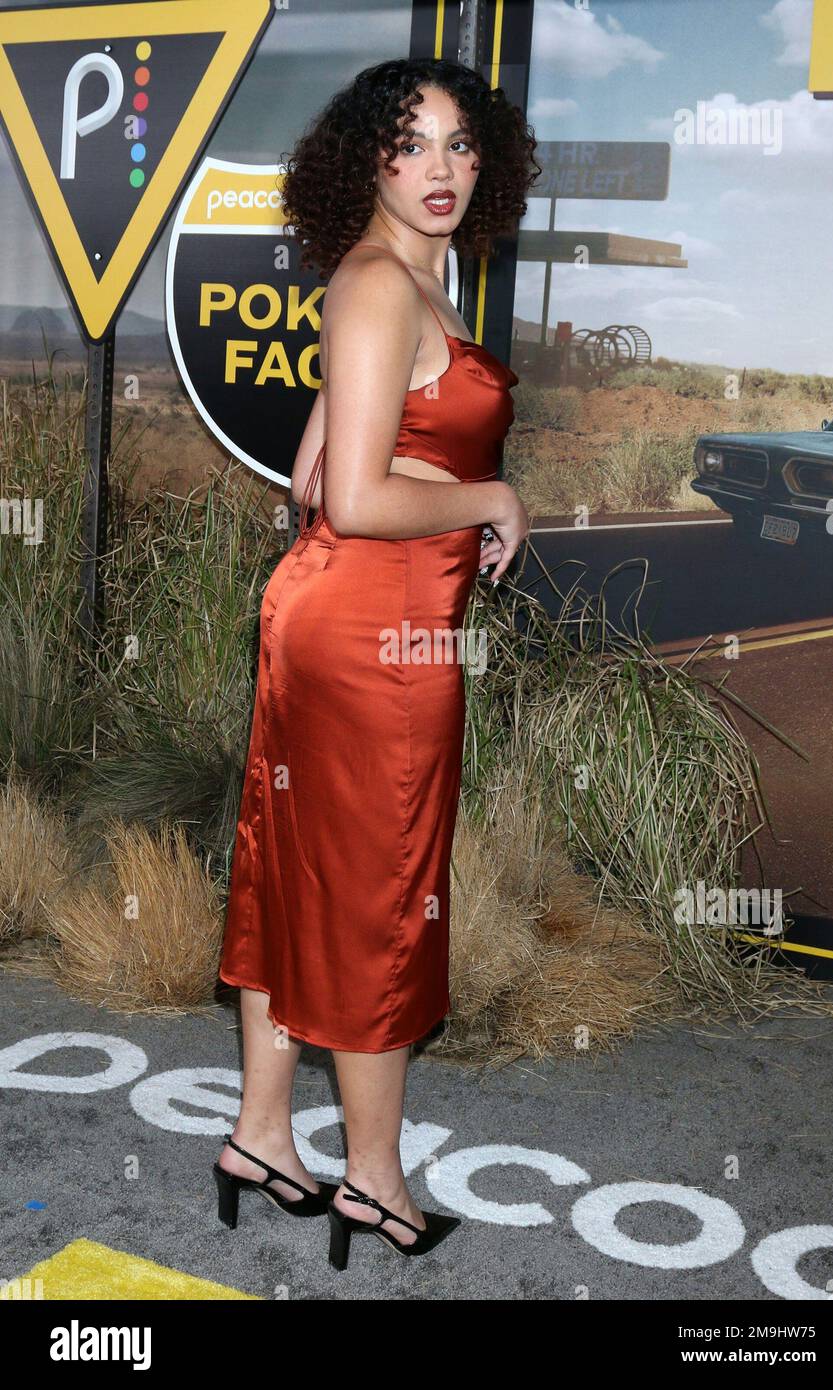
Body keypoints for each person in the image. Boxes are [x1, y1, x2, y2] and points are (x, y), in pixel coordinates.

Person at [214, 56, 536, 1266]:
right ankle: (373, 1179)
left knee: (302, 866)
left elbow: (313, 468)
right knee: (378, 893)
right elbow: (349, 496)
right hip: (374, 636)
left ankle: (259, 1132)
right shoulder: (376, 284)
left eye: (460, 144)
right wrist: (491, 489)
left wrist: (440, 486)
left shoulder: (408, 274)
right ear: (368, 159)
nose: (441, 168)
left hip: (350, 618)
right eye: (413, 145)